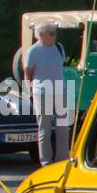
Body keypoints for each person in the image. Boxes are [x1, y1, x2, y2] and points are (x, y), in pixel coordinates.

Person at [24, 22, 69, 164]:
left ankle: (62, 159)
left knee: (63, 128)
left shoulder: (59, 47)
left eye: (54, 33)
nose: (54, 36)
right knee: (45, 128)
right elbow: (28, 74)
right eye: (51, 33)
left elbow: (62, 66)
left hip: (61, 91)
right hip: (42, 92)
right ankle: (46, 161)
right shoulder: (33, 51)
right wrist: (30, 91)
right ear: (41, 35)